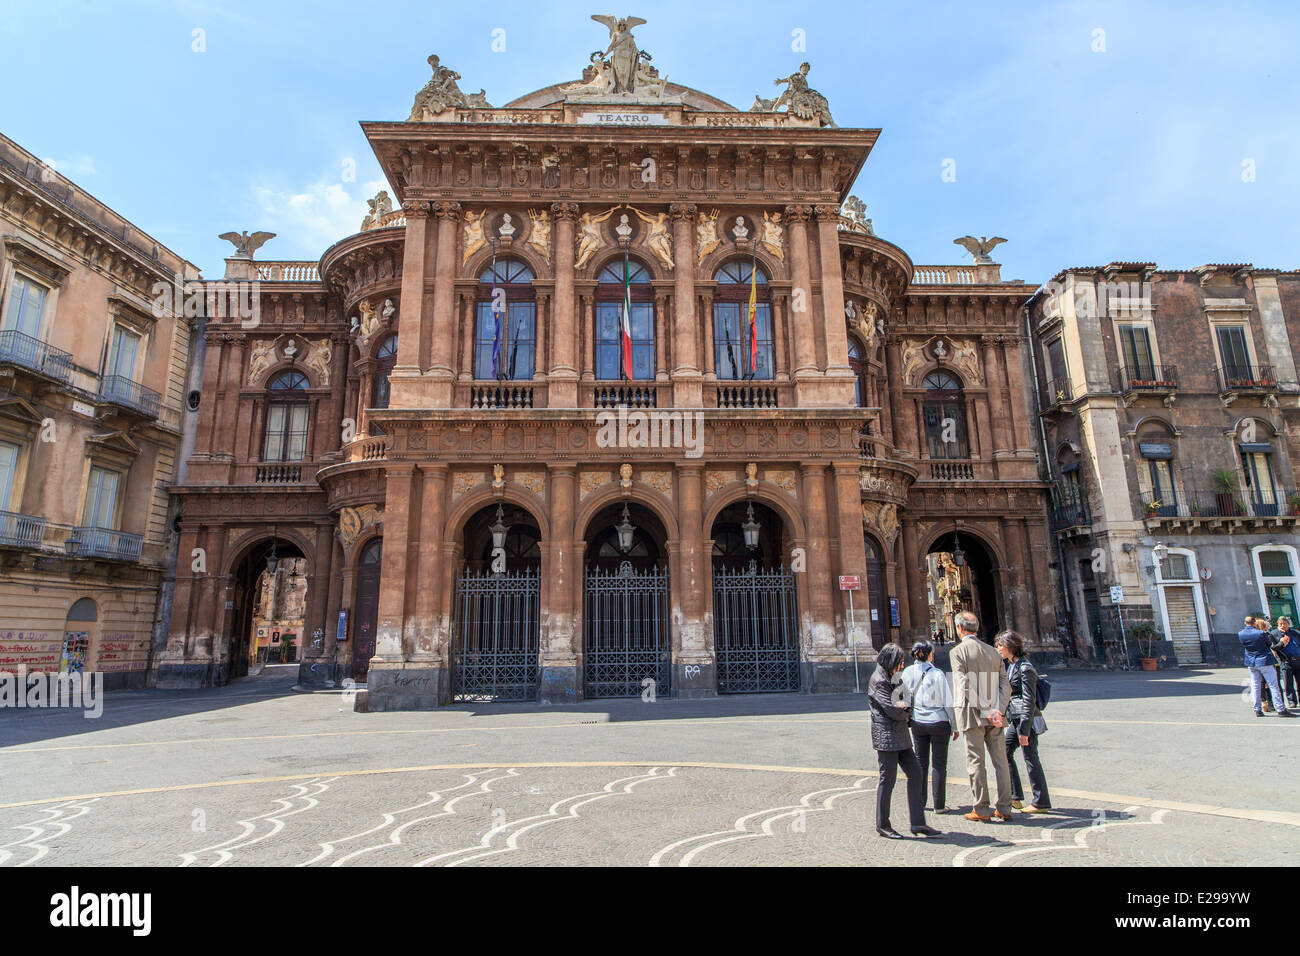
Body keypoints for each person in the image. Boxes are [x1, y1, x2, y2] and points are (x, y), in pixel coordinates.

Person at [868, 643, 940, 839]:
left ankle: (918, 823)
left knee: (916, 773)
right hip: (886, 736)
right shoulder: (878, 680)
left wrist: (904, 707)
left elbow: (908, 697)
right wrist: (904, 710)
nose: (901, 666)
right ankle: (883, 824)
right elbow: (891, 709)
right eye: (899, 662)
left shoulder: (894, 676)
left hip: (900, 734)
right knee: (887, 779)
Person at [949, 610, 1014, 822]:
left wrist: (987, 710)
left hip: (972, 714)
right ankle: (1005, 807)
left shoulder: (958, 652)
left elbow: (964, 684)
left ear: (959, 629)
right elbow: (1005, 684)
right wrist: (998, 710)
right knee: (1001, 761)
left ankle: (981, 808)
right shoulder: (994, 652)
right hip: (995, 715)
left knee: (976, 761)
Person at [995, 631, 1052, 813]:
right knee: (1005, 752)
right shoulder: (1013, 665)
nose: (998, 649)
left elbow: (1029, 700)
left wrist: (1025, 731)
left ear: (1010, 646)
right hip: (1016, 718)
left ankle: (1040, 801)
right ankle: (1015, 796)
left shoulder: (1025, 668)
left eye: (1000, 646)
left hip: (1025, 720)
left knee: (1031, 758)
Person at [901, 640, 957, 814]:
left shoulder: (907, 672)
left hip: (918, 722)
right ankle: (939, 805)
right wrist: (954, 725)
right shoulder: (938, 673)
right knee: (939, 764)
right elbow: (948, 702)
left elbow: (900, 697)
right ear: (930, 655)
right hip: (939, 722)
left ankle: (921, 801)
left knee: (920, 763)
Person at [1239, 615, 1295, 718]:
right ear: (1254, 623)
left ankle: (1257, 709)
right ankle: (1280, 709)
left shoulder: (1241, 634)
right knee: (1273, 685)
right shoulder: (1261, 633)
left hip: (1251, 662)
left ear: (1245, 623)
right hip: (1264, 661)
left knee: (1255, 685)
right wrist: (1282, 642)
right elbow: (1271, 645)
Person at [1269, 616, 1300, 710]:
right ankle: (1292, 701)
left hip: (1298, 660)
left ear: (1288, 624)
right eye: (1280, 624)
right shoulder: (1274, 634)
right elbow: (1273, 648)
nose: (1282, 626)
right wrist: (1282, 642)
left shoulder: (1295, 633)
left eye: (1284, 624)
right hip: (1285, 661)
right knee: (1288, 682)